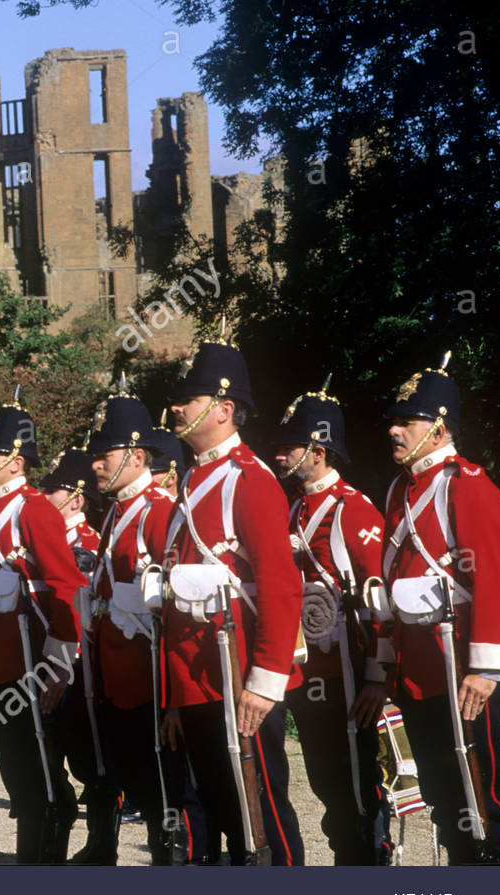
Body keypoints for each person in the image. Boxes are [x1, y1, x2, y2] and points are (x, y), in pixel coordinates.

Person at [160, 339, 305, 865]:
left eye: (189, 398)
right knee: (222, 813)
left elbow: (280, 585)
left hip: (240, 677)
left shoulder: (250, 480)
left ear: (223, 409)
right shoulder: (195, 478)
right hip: (198, 679)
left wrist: (265, 680)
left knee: (262, 818)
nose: (175, 406)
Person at [378, 354, 500, 864]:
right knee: (443, 797)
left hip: (463, 671)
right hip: (420, 669)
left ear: (438, 428)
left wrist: (486, 669)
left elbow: (495, 579)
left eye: (405, 422)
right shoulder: (399, 488)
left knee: (483, 802)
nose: (393, 429)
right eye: (393, 420)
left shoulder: (467, 485)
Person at [84, 387, 210, 865]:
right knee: (138, 781)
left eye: (104, 455)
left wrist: (174, 698)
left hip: (153, 684)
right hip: (118, 680)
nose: (95, 464)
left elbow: (174, 613)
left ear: (137, 457)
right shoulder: (118, 511)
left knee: (169, 797)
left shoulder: (159, 512)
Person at [272, 379, 395, 865]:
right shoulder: (295, 507)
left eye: (289, 447)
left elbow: (379, 600)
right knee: (326, 782)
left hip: (349, 672)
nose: (279, 456)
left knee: (357, 789)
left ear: (318, 451)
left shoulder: (352, 508)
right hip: (310, 671)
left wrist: (376, 677)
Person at [0, 397, 86, 863]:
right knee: (16, 768)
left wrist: (56, 668)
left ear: (15, 459)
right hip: (1, 666)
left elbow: (66, 587)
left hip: (33, 668)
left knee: (40, 771)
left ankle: (42, 861)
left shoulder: (33, 510)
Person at [37, 444, 125, 864]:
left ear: (75, 497)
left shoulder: (89, 542)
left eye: (52, 490)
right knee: (50, 753)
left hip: (80, 670)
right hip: (47, 661)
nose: (44, 496)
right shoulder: (43, 537)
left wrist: (61, 670)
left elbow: (79, 613)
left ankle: (101, 846)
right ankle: (55, 835)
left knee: (92, 764)